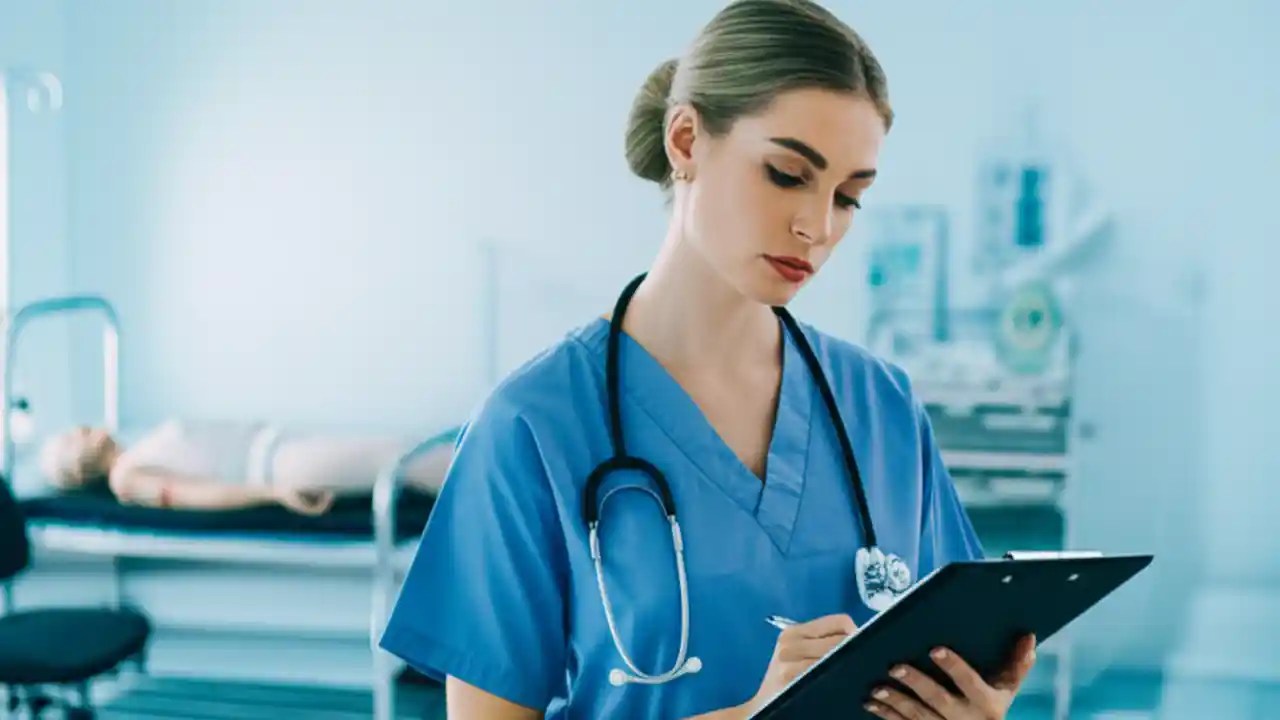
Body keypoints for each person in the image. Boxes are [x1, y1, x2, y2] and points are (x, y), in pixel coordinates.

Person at [379, 1, 1038, 718]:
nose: (816, 227)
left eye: (849, 197)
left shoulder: (879, 405)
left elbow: (939, 654)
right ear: (687, 140)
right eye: (787, 174)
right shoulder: (532, 426)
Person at [37, 419, 452, 515]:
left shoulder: (136, 447)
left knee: (408, 453)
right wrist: (274, 494)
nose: (80, 429)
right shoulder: (125, 477)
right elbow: (195, 497)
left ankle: (497, 484)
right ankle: (501, 488)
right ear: (74, 473)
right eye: (71, 439)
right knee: (404, 461)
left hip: (283, 447)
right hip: (281, 468)